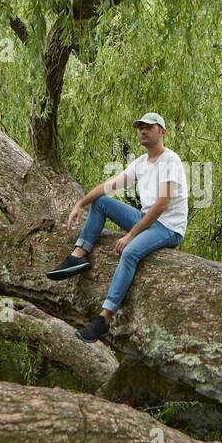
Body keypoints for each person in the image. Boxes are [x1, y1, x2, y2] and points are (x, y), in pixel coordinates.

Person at [46, 112, 188, 342]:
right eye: (140, 127)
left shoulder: (171, 160)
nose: (142, 131)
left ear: (161, 132)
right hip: (146, 218)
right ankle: (78, 255)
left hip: (168, 227)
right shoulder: (141, 163)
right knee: (101, 202)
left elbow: (162, 204)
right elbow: (108, 186)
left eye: (148, 127)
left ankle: (104, 318)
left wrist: (132, 234)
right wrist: (80, 203)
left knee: (129, 252)